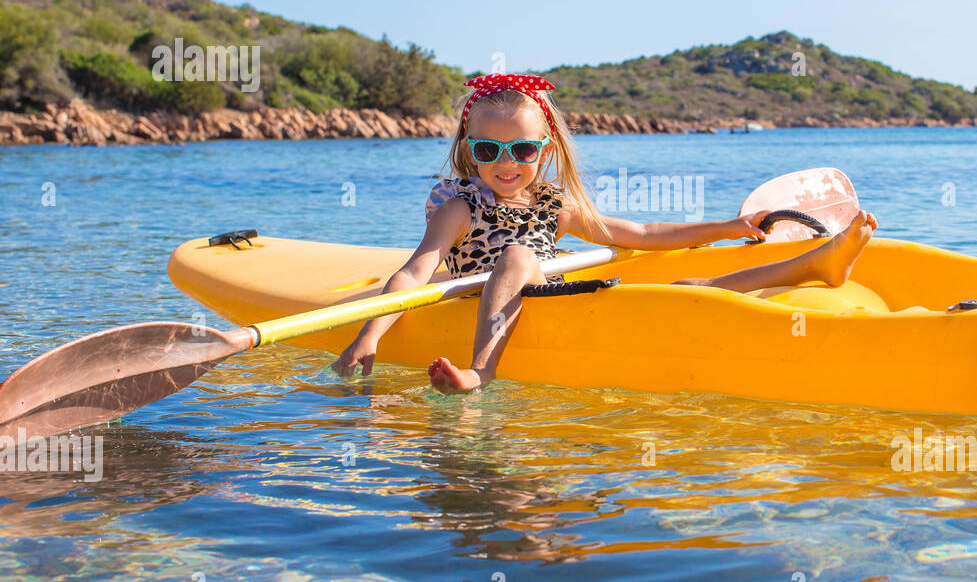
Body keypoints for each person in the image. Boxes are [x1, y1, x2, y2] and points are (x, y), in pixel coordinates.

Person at [331, 73, 878, 393]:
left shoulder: (554, 204)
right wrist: (368, 336)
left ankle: (812, 265)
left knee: (687, 293)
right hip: (481, 297)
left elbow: (641, 231)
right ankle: (481, 373)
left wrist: (728, 226)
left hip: (550, 296)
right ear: (468, 151)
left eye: (521, 150)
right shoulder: (460, 207)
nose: (505, 163)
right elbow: (415, 271)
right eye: (488, 150)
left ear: (543, 151)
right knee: (519, 255)